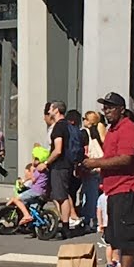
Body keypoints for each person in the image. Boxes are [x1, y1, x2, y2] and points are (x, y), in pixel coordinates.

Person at [81, 91, 134, 267]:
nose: (107, 111)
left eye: (111, 107)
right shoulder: (112, 130)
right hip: (116, 188)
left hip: (130, 188)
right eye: (105, 107)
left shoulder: (128, 129)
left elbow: (125, 158)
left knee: (128, 231)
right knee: (117, 232)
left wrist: (95, 162)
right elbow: (111, 156)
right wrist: (91, 165)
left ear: (121, 109)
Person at [37, 101, 79, 238]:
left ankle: (65, 226)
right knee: (59, 195)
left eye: (50, 108)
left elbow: (58, 150)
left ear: (55, 110)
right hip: (66, 165)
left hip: (60, 166)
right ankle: (65, 224)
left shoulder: (58, 128)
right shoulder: (66, 125)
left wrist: (46, 163)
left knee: (62, 197)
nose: (48, 111)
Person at [5, 147, 50, 226]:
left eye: (34, 159)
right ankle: (36, 222)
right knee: (33, 207)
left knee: (16, 199)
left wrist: (32, 170)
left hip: (35, 190)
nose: (32, 161)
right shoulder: (45, 170)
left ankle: (26, 215)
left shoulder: (38, 169)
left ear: (38, 160)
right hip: (42, 191)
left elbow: (33, 180)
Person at [79, 110, 105, 232]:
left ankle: (89, 220)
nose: (83, 120)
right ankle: (95, 219)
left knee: (88, 195)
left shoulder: (85, 133)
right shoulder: (98, 132)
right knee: (93, 193)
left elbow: (85, 149)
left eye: (85, 118)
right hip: (99, 165)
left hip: (90, 165)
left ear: (89, 121)